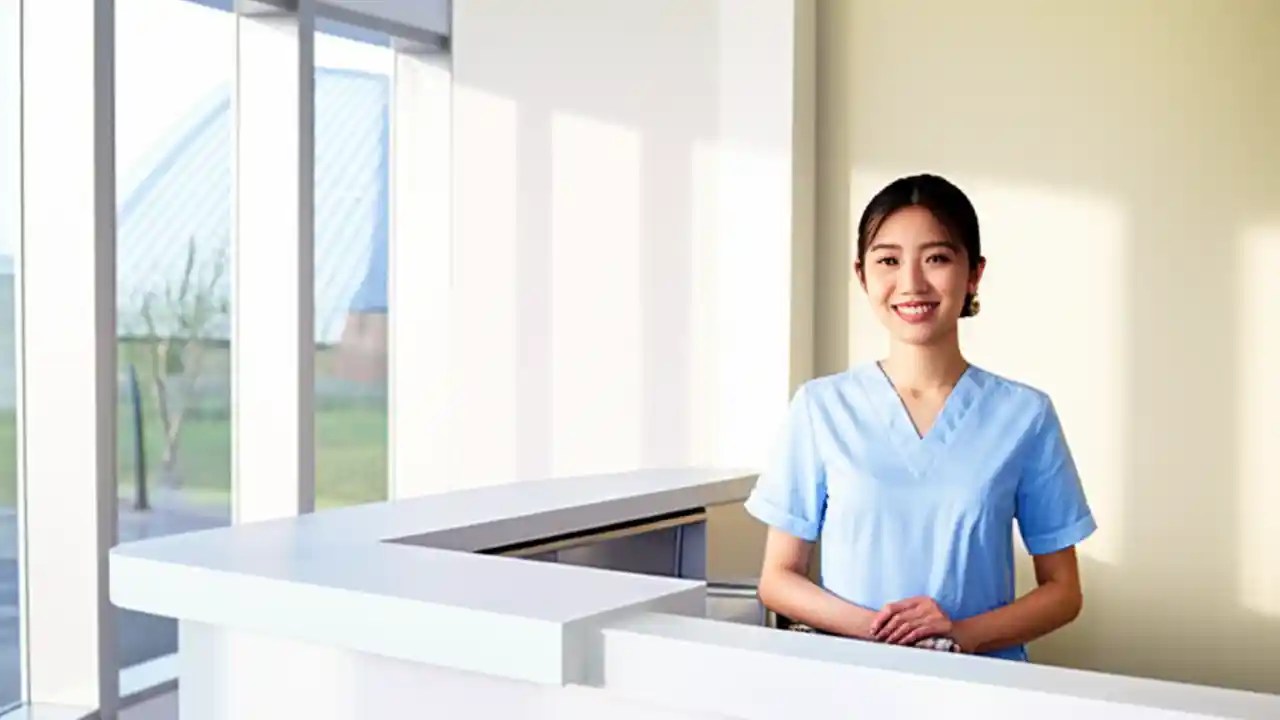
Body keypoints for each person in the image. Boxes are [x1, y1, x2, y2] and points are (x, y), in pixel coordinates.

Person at [745, 173, 1096, 661]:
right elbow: (777, 579)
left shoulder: (1025, 416)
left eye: (936, 258)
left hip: (981, 691)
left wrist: (959, 635)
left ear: (973, 273)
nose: (911, 283)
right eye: (888, 260)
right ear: (862, 275)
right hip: (850, 685)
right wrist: (881, 632)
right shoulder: (820, 408)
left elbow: (1063, 592)